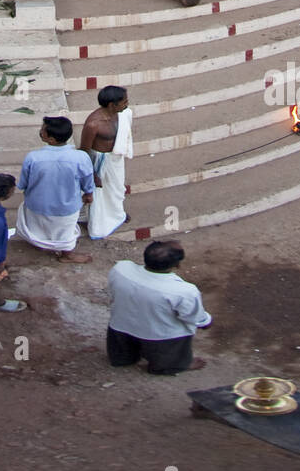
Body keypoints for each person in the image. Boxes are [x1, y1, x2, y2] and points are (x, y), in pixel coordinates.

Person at [105, 239, 211, 374]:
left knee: (123, 351)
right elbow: (193, 317)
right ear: (177, 265)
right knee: (170, 355)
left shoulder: (121, 268)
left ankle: (123, 359)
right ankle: (169, 366)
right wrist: (205, 321)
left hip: (121, 325)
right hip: (159, 335)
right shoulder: (184, 291)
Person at [15, 116, 95, 263]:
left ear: (51, 139)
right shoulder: (81, 157)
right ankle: (67, 254)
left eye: (42, 130)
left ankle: (41, 245)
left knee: (38, 227)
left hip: (37, 205)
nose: (40, 131)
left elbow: (23, 184)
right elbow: (87, 180)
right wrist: (89, 194)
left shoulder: (33, 158)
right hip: (67, 207)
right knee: (66, 231)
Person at [81, 88, 134, 241]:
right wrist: (92, 173)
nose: (127, 104)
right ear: (112, 105)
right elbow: (84, 150)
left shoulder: (122, 114)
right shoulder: (93, 124)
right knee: (99, 195)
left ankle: (117, 214)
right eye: (124, 102)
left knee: (116, 189)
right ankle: (98, 225)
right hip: (100, 162)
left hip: (115, 159)